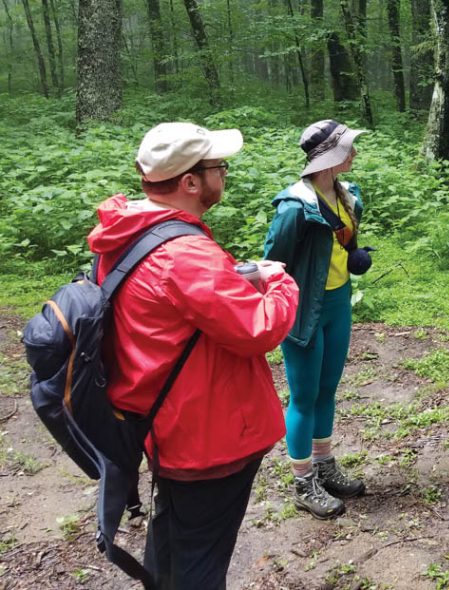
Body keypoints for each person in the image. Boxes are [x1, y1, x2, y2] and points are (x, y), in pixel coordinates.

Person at [87, 122, 299, 588]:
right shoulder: (184, 254)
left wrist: (244, 275)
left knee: (173, 539)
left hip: (164, 427)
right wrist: (282, 282)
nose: (224, 174)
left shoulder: (129, 233)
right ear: (189, 182)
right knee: (202, 560)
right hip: (208, 437)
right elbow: (259, 328)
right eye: (218, 168)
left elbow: (169, 304)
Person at [264, 120, 370, 519]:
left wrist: (356, 255)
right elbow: (273, 263)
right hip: (304, 309)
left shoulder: (348, 197)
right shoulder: (295, 207)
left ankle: (325, 466)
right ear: (330, 156)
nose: (355, 152)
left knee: (328, 388)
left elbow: (345, 242)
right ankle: (303, 481)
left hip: (338, 303)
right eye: (349, 147)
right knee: (304, 396)